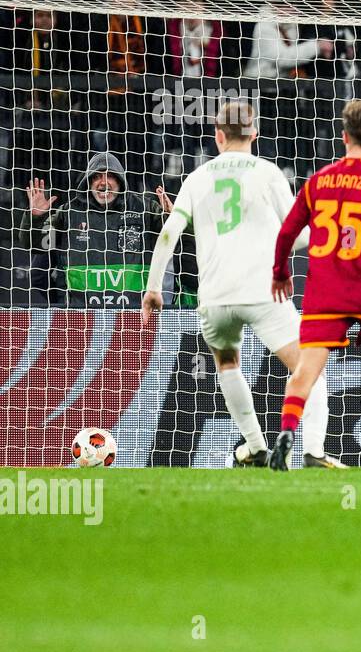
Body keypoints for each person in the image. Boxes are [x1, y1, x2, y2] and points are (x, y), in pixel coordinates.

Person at [141, 101, 339, 469]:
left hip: (214, 297)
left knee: (227, 362)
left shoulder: (197, 178)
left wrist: (154, 287)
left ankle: (256, 447)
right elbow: (297, 235)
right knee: (309, 367)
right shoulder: (268, 173)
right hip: (263, 292)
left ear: (218, 135)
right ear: (255, 134)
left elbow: (169, 232)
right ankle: (312, 451)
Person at [270, 100, 361, 470]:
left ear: (344, 137)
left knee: (307, 368)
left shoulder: (317, 180)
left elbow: (288, 230)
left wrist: (280, 271)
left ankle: (287, 431)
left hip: (325, 291)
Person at [20, 152, 168, 308]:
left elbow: (176, 243)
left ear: (120, 180)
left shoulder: (145, 209)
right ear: (88, 182)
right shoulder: (68, 213)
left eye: (110, 175)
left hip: (135, 315)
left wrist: (170, 217)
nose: (103, 182)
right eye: (97, 176)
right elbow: (35, 245)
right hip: (80, 319)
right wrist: (35, 217)